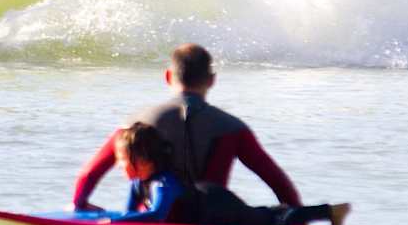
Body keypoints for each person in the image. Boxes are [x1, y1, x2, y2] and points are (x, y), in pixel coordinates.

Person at [72, 44, 307, 214]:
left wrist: (79, 204)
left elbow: (90, 173)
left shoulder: (135, 123)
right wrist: (298, 220)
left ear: (167, 76)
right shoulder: (232, 127)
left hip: (152, 220)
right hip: (208, 219)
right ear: (212, 80)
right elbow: (276, 180)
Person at [108, 122, 350, 225]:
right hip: (204, 203)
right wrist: (115, 222)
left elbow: (156, 215)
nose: (118, 165)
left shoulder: (164, 183)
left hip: (215, 205)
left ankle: (330, 211)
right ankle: (314, 212)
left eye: (122, 159)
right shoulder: (137, 183)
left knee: (268, 219)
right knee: (266, 214)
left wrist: (113, 224)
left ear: (143, 160)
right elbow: (128, 213)